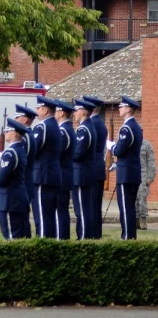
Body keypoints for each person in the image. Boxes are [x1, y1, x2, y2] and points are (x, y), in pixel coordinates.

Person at [109, 96, 143, 240]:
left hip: (126, 173)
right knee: (129, 206)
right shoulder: (136, 127)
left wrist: (110, 145)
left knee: (126, 207)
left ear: (128, 109)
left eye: (122, 106)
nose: (119, 108)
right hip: (133, 172)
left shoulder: (127, 128)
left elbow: (119, 151)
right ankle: (130, 236)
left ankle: (128, 237)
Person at [0, 118, 30, 240]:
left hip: (10, 201)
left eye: (8, 130)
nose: (5, 133)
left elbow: (1, 179)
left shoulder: (10, 153)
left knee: (11, 237)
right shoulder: (20, 150)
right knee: (22, 236)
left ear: (14, 133)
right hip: (19, 198)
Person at [31, 96, 62, 239]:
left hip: (42, 175)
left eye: (38, 108)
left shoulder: (43, 126)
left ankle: (43, 244)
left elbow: (33, 149)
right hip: (52, 174)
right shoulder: (55, 125)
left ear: (45, 110)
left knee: (42, 216)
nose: (37, 111)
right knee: (49, 214)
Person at [83, 95, 109, 238]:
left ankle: (91, 235)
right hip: (98, 166)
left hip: (91, 167)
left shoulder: (92, 124)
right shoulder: (100, 123)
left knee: (91, 204)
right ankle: (96, 234)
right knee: (95, 205)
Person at [71, 99, 96, 240]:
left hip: (81, 172)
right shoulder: (88, 127)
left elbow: (77, 153)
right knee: (82, 207)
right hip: (83, 172)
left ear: (84, 112)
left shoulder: (83, 129)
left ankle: (84, 237)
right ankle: (85, 235)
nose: (75, 113)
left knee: (81, 208)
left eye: (77, 110)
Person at [13, 105, 37, 238]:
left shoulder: (25, 137)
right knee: (23, 218)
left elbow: (22, 161)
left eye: (18, 117)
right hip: (26, 179)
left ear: (25, 120)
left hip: (23, 180)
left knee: (20, 218)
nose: (16, 119)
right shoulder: (29, 135)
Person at [54, 99, 75, 240]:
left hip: (61, 174)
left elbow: (57, 153)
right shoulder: (69, 129)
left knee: (59, 210)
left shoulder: (63, 131)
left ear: (61, 113)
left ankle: (61, 238)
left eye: (56, 110)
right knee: (62, 209)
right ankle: (63, 237)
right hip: (66, 174)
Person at [137, 137, 155, 230]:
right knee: (133, 199)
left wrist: (150, 178)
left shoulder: (146, 145)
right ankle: (135, 221)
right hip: (132, 174)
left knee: (142, 198)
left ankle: (142, 220)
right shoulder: (131, 143)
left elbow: (151, 162)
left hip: (143, 175)